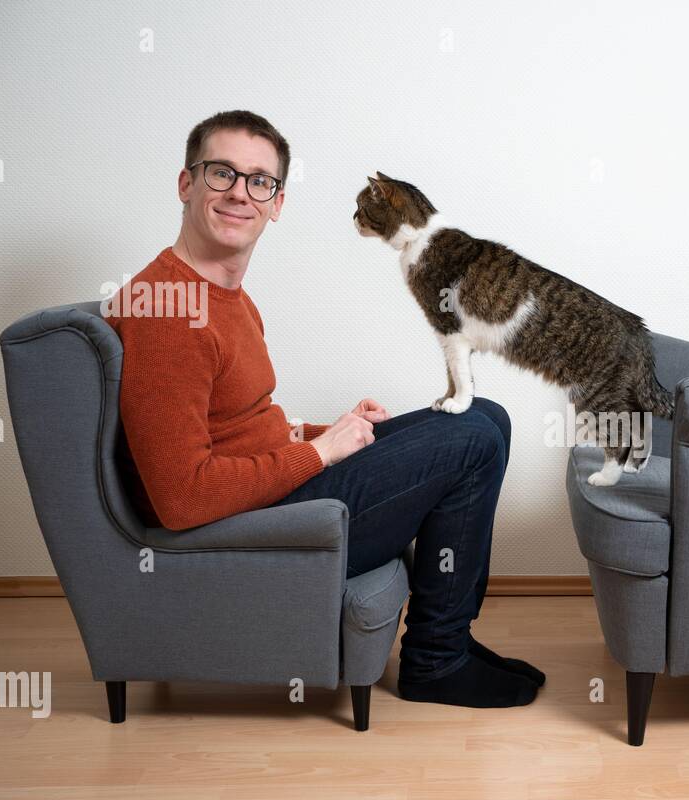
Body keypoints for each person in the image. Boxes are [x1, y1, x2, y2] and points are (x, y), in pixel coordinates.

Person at [105, 109, 542, 708]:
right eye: (221, 173)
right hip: (252, 525)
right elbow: (182, 498)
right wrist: (319, 452)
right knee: (474, 440)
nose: (240, 192)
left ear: (277, 203)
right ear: (186, 184)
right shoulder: (169, 311)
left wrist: (326, 431)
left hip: (267, 493)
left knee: (485, 416)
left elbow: (230, 423)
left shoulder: (222, 294)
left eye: (260, 181)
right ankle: (437, 660)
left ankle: (452, 641)